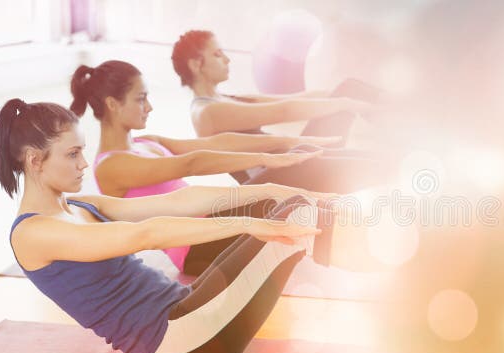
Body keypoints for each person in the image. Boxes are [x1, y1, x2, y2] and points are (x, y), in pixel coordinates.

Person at [0, 98, 353, 353]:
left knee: (287, 204)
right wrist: (249, 223)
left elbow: (176, 201)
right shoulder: (33, 233)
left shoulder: (79, 204)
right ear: (34, 160)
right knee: (290, 218)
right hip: (182, 348)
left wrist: (268, 190)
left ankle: (366, 227)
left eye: (82, 151)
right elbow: (146, 234)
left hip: (190, 312)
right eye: (72, 154)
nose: (84, 164)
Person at [70, 60, 386, 274]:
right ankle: (377, 248)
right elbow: (191, 163)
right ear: (112, 104)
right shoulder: (111, 167)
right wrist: (267, 158)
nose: (149, 107)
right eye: (140, 99)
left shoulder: (145, 142)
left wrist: (282, 145)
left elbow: (217, 145)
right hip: (198, 247)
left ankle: (375, 222)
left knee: (294, 181)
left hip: (217, 221)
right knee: (282, 187)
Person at [172, 29, 382, 145]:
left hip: (291, 161)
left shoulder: (223, 99)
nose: (226, 59)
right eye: (217, 54)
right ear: (195, 64)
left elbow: (296, 98)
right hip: (281, 173)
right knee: (350, 92)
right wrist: (345, 102)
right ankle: (404, 117)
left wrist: (331, 95)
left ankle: (399, 118)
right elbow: (284, 110)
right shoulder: (208, 111)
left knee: (348, 88)